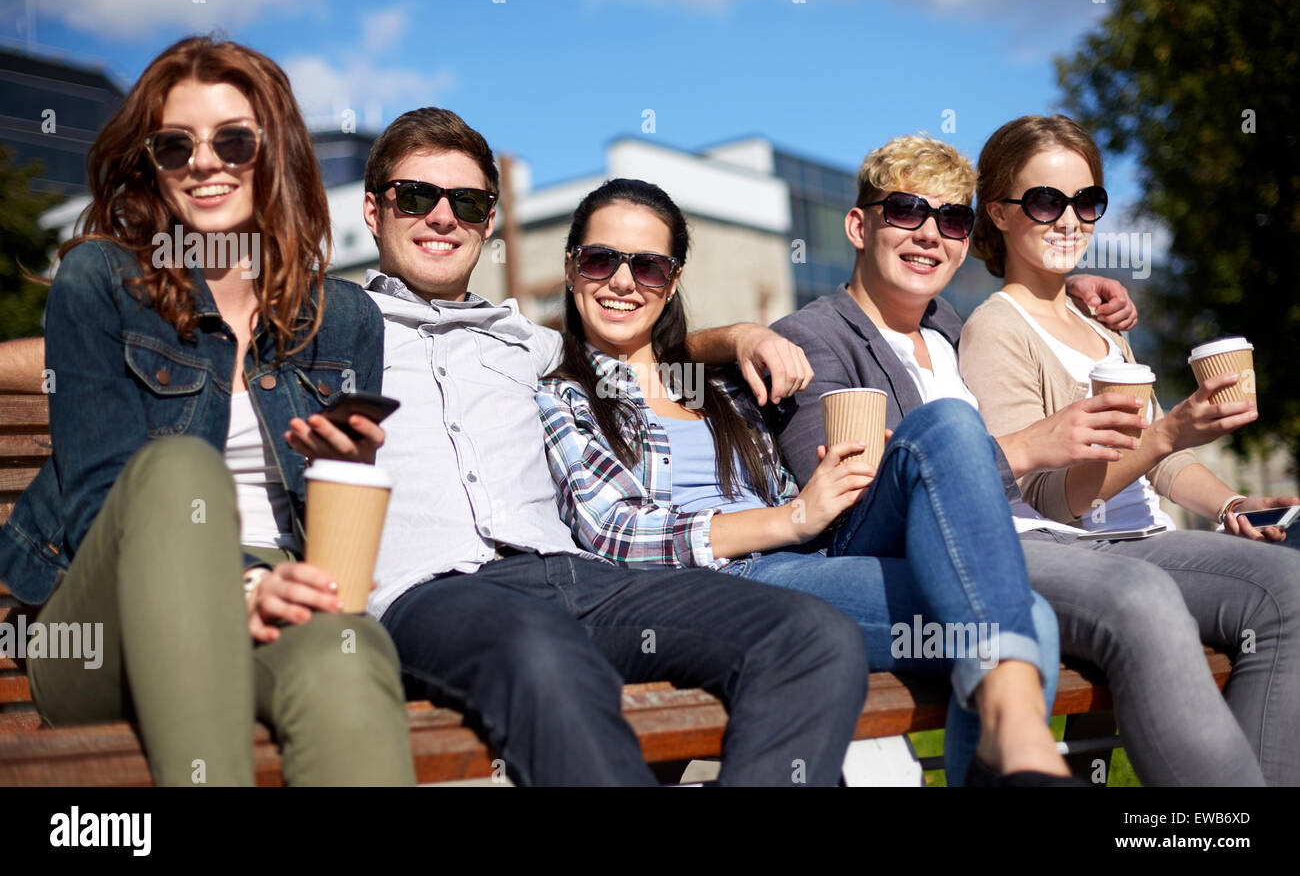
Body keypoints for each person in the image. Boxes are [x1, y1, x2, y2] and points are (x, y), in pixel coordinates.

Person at [358, 107, 868, 786]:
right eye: (417, 196)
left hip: (581, 578)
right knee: (543, 652)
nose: (443, 216)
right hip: (436, 592)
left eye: (469, 201)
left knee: (814, 636)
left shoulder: (527, 342)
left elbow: (645, 345)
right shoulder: (331, 331)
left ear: (487, 221)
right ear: (373, 210)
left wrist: (741, 335)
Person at [771, 132, 1297, 786]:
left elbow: (1046, 323)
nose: (930, 233)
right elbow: (847, 508)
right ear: (857, 225)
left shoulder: (949, 326)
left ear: (969, 233)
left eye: (950, 218)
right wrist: (1036, 444)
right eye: (906, 211)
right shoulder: (813, 338)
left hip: (1011, 552)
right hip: (913, 555)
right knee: (1090, 585)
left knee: (1286, 583)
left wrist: (1224, 499)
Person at [537, 177, 1077, 786]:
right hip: (722, 588)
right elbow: (616, 531)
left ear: (674, 279)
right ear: (571, 266)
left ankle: (1021, 752)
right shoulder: (566, 394)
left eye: (650, 266)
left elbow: (676, 356)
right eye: (601, 260)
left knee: (947, 424)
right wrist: (792, 517)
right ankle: (1027, 757)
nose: (624, 282)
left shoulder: (711, 385)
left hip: (808, 559)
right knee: (1025, 616)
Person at [0, 37, 415, 787]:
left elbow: (333, 548)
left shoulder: (347, 317)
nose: (205, 161)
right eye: (174, 145)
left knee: (345, 670)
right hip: (99, 625)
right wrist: (238, 588)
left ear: (275, 149)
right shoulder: (98, 283)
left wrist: (341, 474)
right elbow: (100, 503)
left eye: (233, 139)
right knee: (180, 469)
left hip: (280, 590)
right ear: (150, 164)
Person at [960, 114, 1300, 784]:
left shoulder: (1102, 330)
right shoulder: (994, 328)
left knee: (1290, 581)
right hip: (1059, 551)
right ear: (998, 213)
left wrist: (1231, 501)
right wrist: (1167, 430)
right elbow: (1048, 498)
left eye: (1086, 201)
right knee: (1167, 595)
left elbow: (1158, 461)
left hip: (1141, 540)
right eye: (1044, 200)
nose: (1069, 220)